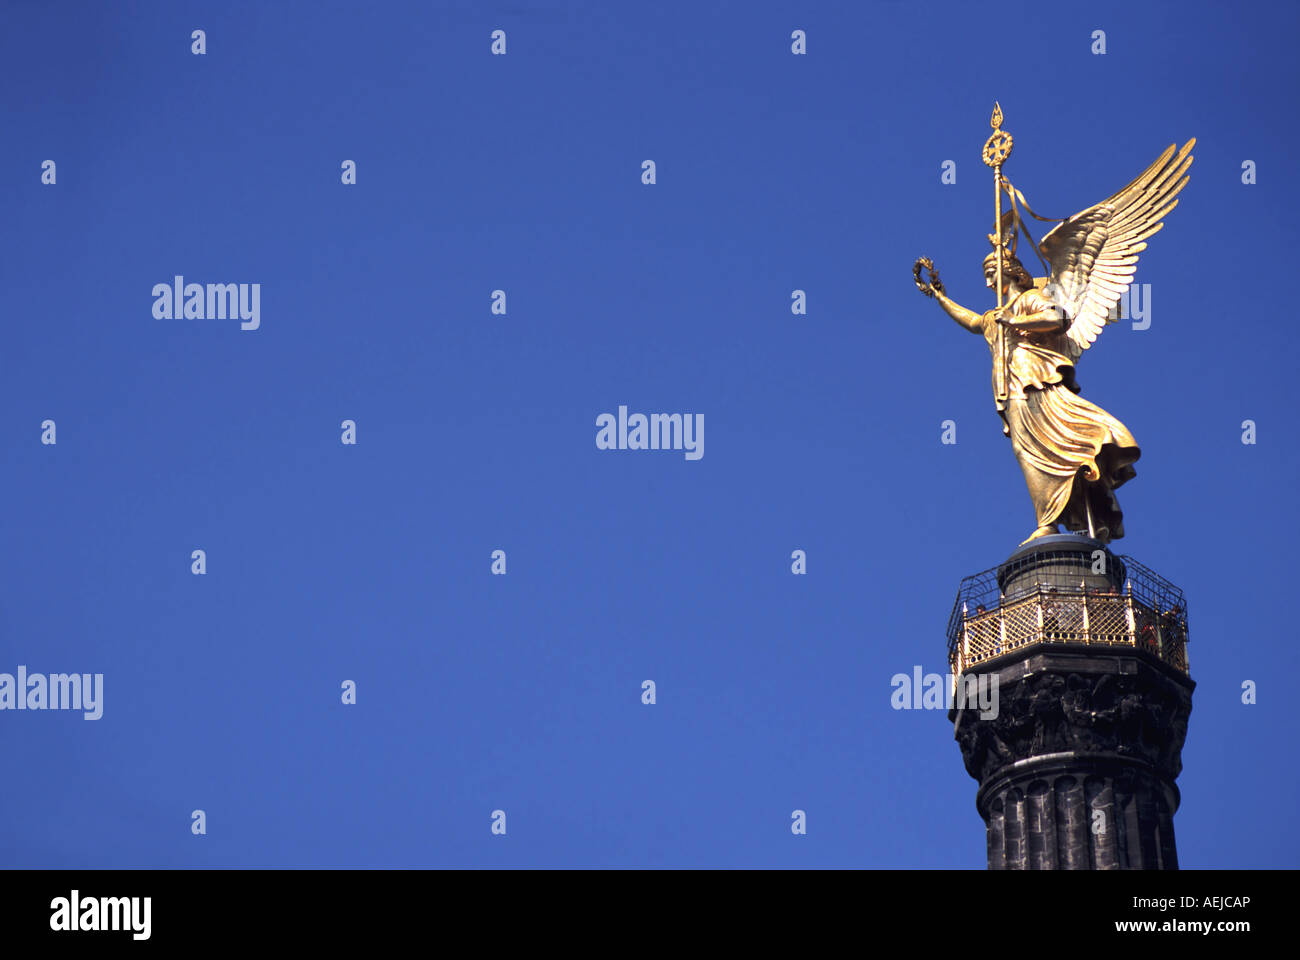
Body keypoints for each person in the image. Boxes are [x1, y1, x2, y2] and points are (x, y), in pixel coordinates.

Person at [930, 252, 1140, 545]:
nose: (989, 281)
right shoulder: (994, 316)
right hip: (1011, 386)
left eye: (992, 272)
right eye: (986, 275)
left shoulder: (1028, 300)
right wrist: (941, 297)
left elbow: (1058, 317)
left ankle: (1048, 521)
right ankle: (1056, 516)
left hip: (1035, 381)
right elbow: (974, 321)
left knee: (1038, 447)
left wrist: (1015, 320)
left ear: (1012, 272)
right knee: (1024, 449)